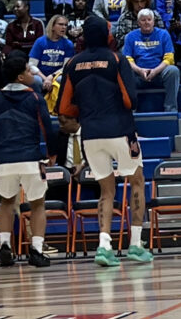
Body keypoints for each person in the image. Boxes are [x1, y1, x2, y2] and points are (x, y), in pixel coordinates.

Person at [57, 15, 152, 268]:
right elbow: (130, 100)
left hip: (90, 135)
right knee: (137, 181)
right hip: (120, 129)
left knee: (106, 190)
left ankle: (104, 246)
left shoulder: (73, 63)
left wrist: (88, 110)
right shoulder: (116, 58)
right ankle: (135, 244)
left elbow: (64, 107)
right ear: (107, 34)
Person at [0, 50, 55, 268]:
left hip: (5, 159)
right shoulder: (34, 97)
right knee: (37, 204)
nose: (31, 73)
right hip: (30, 158)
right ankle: (35, 249)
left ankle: (5, 246)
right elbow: (47, 126)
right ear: (20, 78)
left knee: (6, 202)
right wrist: (52, 153)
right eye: (28, 70)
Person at [123, 8, 180, 114]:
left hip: (159, 72)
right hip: (138, 74)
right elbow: (127, 59)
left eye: (149, 19)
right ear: (138, 22)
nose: (147, 22)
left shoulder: (163, 34)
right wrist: (140, 70)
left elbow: (169, 58)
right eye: (143, 20)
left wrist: (155, 71)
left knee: (173, 70)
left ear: (153, 22)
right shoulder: (130, 37)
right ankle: (131, 110)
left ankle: (170, 109)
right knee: (126, 71)